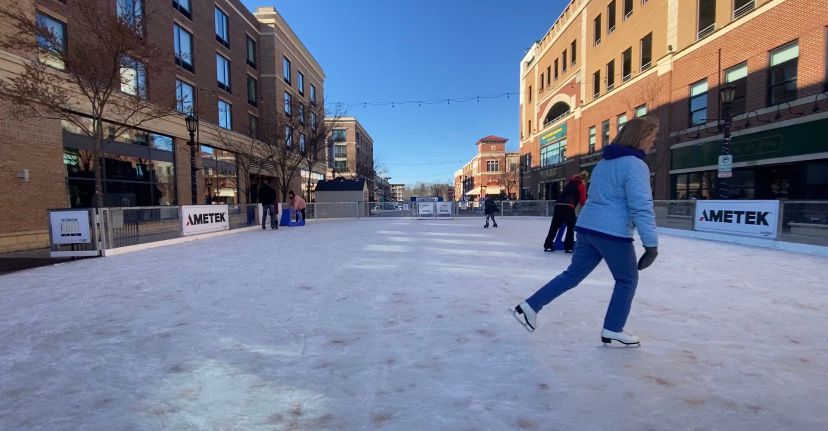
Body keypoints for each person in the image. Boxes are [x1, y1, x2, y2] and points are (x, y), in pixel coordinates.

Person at [511, 116, 660, 347]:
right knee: (627, 280)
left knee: (572, 275)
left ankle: (529, 306)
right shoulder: (635, 165)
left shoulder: (603, 164)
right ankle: (613, 329)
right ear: (640, 136)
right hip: (613, 233)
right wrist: (651, 245)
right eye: (652, 136)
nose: (654, 141)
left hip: (588, 228)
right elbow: (640, 205)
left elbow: (594, 198)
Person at [543, 171, 589, 253]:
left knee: (554, 226)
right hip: (568, 206)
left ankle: (548, 245)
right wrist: (587, 208)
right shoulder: (581, 185)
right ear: (584, 179)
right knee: (570, 226)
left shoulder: (569, 184)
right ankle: (569, 247)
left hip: (558, 205)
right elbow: (583, 200)